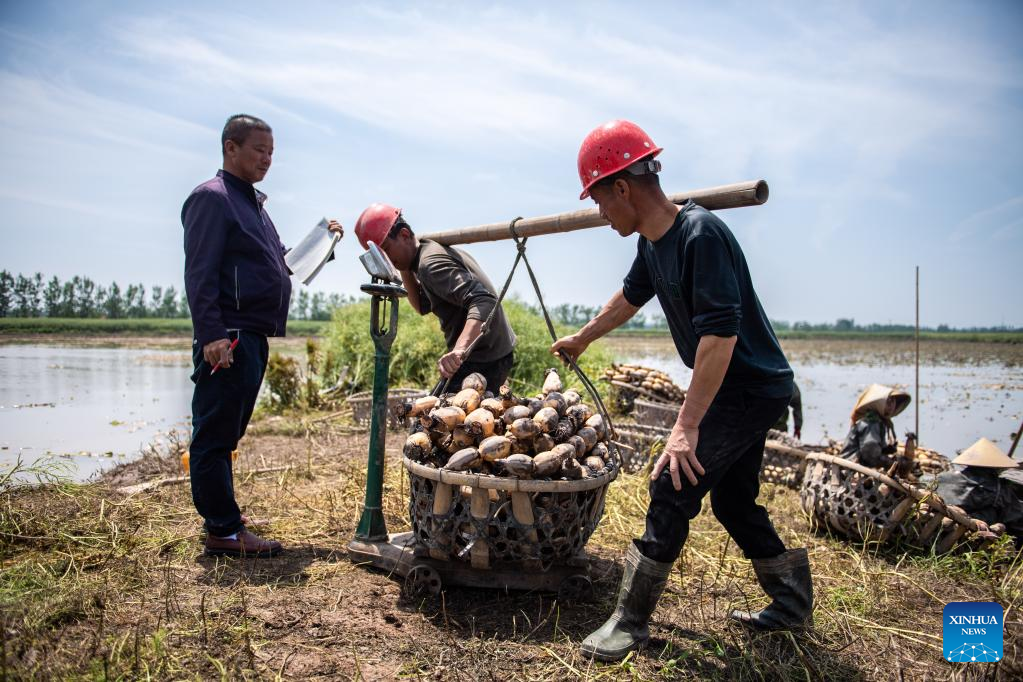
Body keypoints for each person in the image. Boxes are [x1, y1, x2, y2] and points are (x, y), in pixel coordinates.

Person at [551, 120, 812, 661]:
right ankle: (791, 602)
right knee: (735, 504)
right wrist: (582, 338)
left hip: (749, 388)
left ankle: (629, 622)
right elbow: (627, 299)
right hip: (734, 387)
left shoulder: (701, 235)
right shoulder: (654, 244)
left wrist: (685, 427)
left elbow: (719, 338)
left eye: (600, 199)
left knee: (673, 481)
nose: (600, 213)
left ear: (623, 187)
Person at [183, 114, 343, 557]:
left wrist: (323, 246)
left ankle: (225, 519)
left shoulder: (254, 206)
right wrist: (211, 332)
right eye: (259, 150)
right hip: (228, 335)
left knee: (228, 434)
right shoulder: (212, 199)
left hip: (252, 335)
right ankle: (224, 530)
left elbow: (283, 264)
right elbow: (199, 274)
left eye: (272, 152)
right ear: (230, 148)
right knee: (214, 435)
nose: (267, 159)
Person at [353, 204, 516, 391]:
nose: (387, 260)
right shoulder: (421, 256)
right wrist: (403, 268)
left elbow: (484, 301)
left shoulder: (430, 264)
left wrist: (459, 350)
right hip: (491, 353)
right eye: (381, 256)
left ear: (404, 235)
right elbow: (422, 306)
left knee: (432, 418)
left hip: (484, 358)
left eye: (387, 249)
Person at [921, 438, 1023, 540]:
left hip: (934, 524)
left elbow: (922, 481)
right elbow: (1017, 523)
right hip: (966, 535)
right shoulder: (1000, 490)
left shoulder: (942, 477)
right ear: (996, 466)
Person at [838, 383, 913, 473]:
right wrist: (892, 463)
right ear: (879, 404)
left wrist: (886, 450)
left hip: (857, 464)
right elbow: (870, 454)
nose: (892, 406)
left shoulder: (879, 421)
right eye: (888, 402)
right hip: (850, 467)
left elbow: (874, 450)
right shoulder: (870, 422)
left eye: (894, 402)